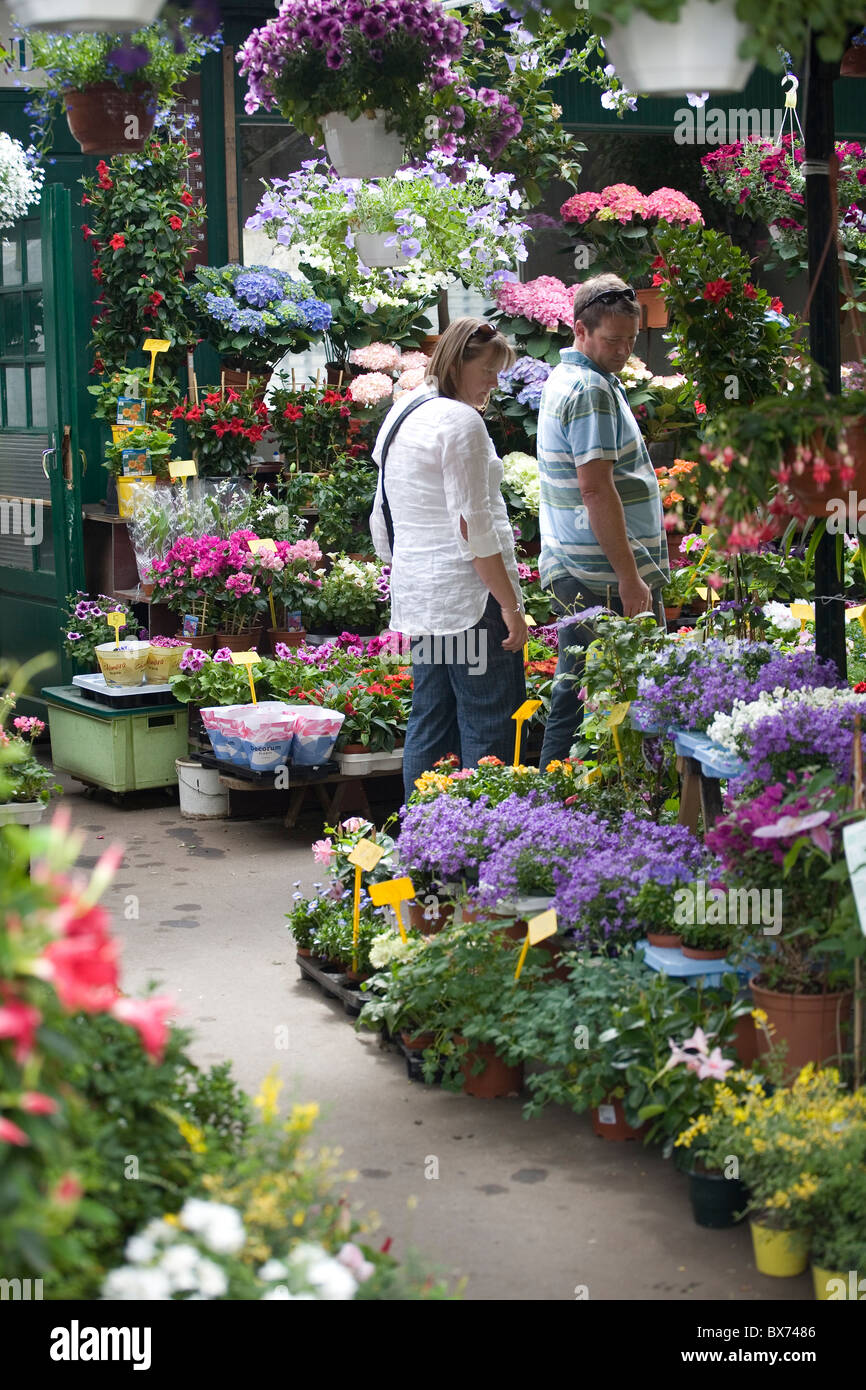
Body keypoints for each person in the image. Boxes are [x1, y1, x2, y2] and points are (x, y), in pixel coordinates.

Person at [370, 317, 530, 801]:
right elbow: (473, 528)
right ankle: (484, 844)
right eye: (489, 370)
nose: (495, 383)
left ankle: (424, 840)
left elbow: (382, 511)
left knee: (430, 718)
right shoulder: (461, 421)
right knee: (487, 719)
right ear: (459, 362)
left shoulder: (405, 411)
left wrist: (405, 568)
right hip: (471, 599)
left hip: (424, 597)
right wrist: (509, 606)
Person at [537, 273, 669, 766]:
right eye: (613, 341)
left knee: (580, 688)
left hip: (577, 563)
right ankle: (566, 802)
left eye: (632, 340)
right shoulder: (590, 390)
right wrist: (630, 578)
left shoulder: (568, 377)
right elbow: (595, 489)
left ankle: (559, 799)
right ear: (580, 331)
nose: (624, 351)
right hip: (602, 575)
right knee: (624, 695)